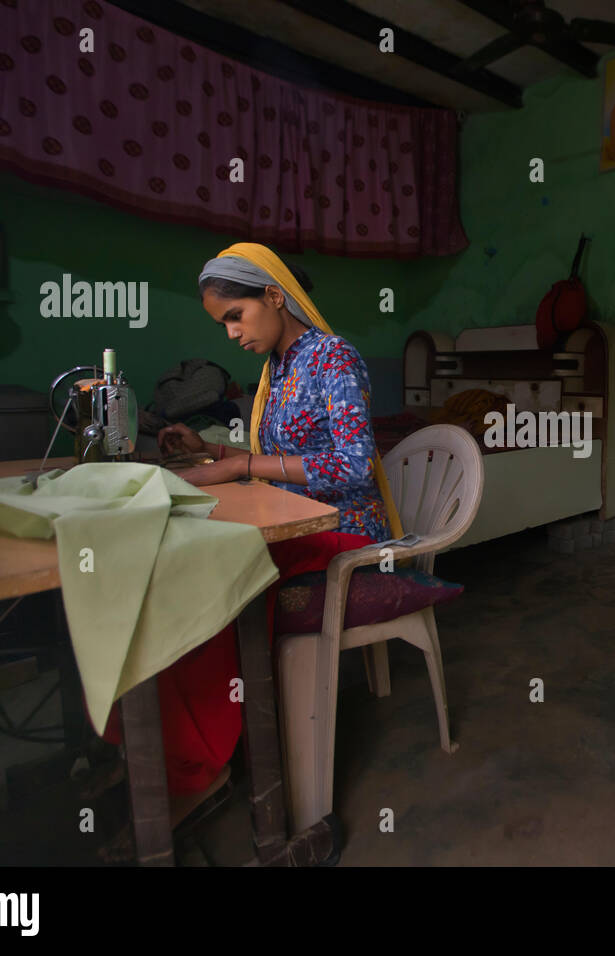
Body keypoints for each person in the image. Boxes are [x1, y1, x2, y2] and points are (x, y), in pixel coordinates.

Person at [93, 242, 400, 860]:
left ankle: (199, 765)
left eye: (236, 316)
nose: (231, 333)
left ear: (274, 296)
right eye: (222, 324)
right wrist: (211, 453)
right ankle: (173, 753)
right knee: (178, 574)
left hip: (344, 531)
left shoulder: (331, 358)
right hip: (297, 522)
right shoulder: (279, 370)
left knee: (208, 580)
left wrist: (243, 464)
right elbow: (278, 458)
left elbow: (352, 465)